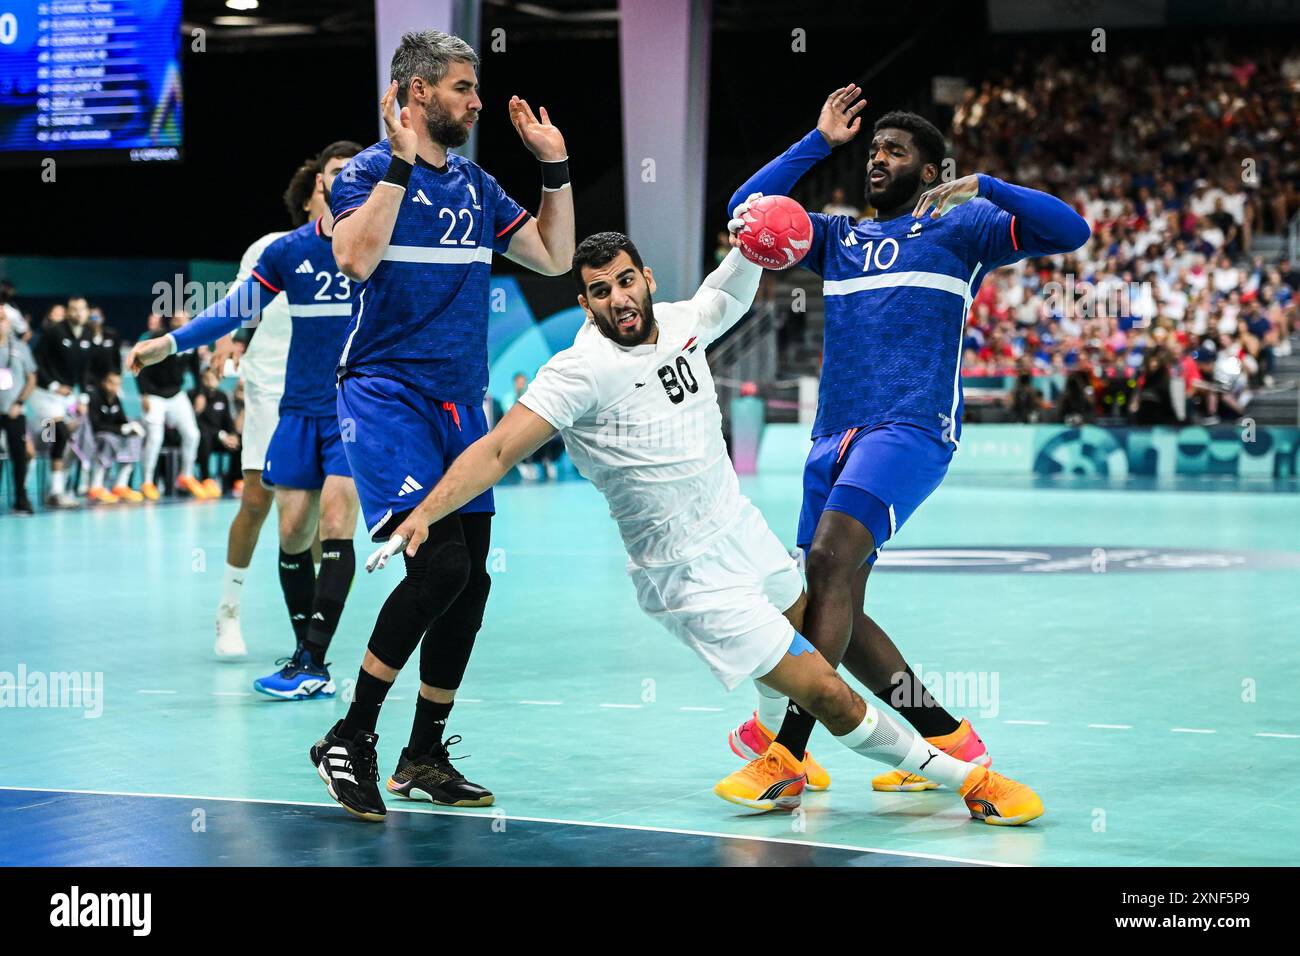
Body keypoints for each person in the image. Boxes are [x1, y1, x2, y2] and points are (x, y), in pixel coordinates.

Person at [357, 232, 1043, 828]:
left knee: (836, 627)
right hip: (688, 574)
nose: (619, 299)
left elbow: (734, 286)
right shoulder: (578, 371)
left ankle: (821, 746)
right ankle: (970, 783)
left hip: (739, 531)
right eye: (599, 291)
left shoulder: (681, 318)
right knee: (824, 689)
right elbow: (500, 449)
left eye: (627, 281)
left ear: (646, 279)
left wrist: (794, 172)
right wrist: (425, 512)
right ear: (585, 304)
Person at [721, 85, 1089, 795]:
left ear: (930, 172)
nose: (877, 160)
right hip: (832, 436)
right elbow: (746, 211)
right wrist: (818, 141)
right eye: (872, 150)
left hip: (910, 428)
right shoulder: (836, 239)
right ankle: (951, 736)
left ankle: (788, 756)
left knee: (828, 562)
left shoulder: (965, 230)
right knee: (834, 606)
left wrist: (988, 186)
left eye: (895, 151)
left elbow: (1069, 230)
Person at [308, 29, 574, 817]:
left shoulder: (478, 185)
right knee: (440, 568)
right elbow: (354, 258)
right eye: (463, 87)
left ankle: (422, 754)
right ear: (419, 93)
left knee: (472, 583)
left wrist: (552, 163)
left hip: (461, 403)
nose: (477, 101)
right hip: (386, 395)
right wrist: (395, 161)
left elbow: (556, 257)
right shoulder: (363, 173)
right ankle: (349, 737)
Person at [130, 140, 366, 698]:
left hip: (353, 411)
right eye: (336, 171)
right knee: (290, 531)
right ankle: (302, 650)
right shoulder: (287, 252)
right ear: (322, 185)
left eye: (356, 170)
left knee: (335, 525)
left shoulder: (383, 247)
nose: (344, 177)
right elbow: (235, 309)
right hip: (294, 410)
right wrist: (171, 343)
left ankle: (312, 660)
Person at [204, 157, 320, 658]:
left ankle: (313, 637)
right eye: (329, 182)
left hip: (325, 392)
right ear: (309, 198)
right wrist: (231, 340)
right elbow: (241, 305)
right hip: (271, 387)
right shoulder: (271, 247)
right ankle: (228, 611)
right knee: (257, 501)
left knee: (318, 517)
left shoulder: (357, 246)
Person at [133, 311, 207, 501]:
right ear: (171, 320)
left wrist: (200, 393)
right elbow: (140, 364)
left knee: (192, 434)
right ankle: (148, 482)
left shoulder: (192, 340)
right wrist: (143, 394)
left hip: (176, 394)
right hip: (154, 395)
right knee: (155, 438)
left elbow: (196, 371)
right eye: (177, 318)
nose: (181, 321)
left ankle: (186, 476)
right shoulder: (158, 338)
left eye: (185, 318)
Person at [31, 295, 94, 508]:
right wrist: (53, 385)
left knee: (73, 439)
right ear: (67, 312)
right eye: (73, 309)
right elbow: (36, 363)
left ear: (87, 312)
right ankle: (55, 493)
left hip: (65, 398)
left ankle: (58, 489)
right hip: (43, 394)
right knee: (58, 434)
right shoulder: (53, 331)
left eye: (82, 309)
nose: (78, 313)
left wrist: (83, 398)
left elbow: (85, 371)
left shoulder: (87, 333)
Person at [85, 370, 145, 503]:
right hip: (94, 437)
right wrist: (120, 429)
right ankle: (96, 487)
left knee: (134, 441)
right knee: (106, 440)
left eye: (118, 384)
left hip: (113, 435)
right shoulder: (95, 397)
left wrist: (131, 428)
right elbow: (95, 425)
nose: (115, 387)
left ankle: (120, 486)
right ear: (105, 383)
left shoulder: (116, 399)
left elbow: (122, 420)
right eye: (112, 383)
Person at [0, 309, 37, 514]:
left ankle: (21, 499)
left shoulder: (20, 347)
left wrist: (20, 402)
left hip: (14, 412)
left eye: (2, 319)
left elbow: (32, 378)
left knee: (20, 456)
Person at [189, 366, 241, 496]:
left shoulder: (222, 396)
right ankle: (206, 480)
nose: (214, 377)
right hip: (203, 439)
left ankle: (236, 480)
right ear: (203, 377)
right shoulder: (193, 395)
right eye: (211, 374)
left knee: (240, 439)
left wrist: (233, 434)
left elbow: (228, 420)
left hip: (219, 438)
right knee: (204, 437)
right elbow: (197, 423)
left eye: (216, 375)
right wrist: (221, 435)